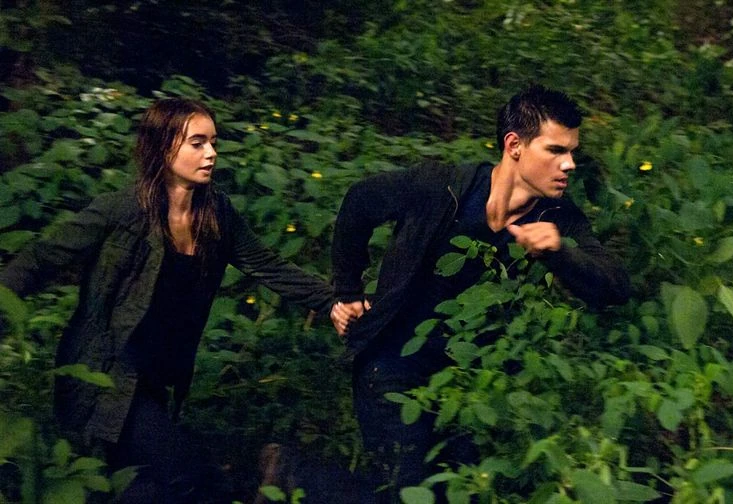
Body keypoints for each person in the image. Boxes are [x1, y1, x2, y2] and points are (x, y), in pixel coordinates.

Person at [0, 98, 349, 503]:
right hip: (105, 375)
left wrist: (333, 302)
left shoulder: (215, 214)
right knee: (189, 475)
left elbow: (268, 266)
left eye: (213, 142)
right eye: (197, 143)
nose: (211, 153)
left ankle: (262, 478)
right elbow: (41, 258)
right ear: (163, 148)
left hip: (157, 380)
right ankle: (268, 477)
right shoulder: (122, 211)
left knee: (142, 489)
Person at [330, 84, 631, 502]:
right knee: (407, 491)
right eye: (555, 150)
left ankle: (295, 473)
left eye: (572, 152)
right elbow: (360, 201)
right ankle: (297, 476)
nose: (569, 164)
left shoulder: (559, 217)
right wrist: (346, 291)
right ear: (514, 146)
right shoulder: (442, 187)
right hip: (392, 366)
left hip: (472, 384)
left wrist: (560, 254)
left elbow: (615, 287)